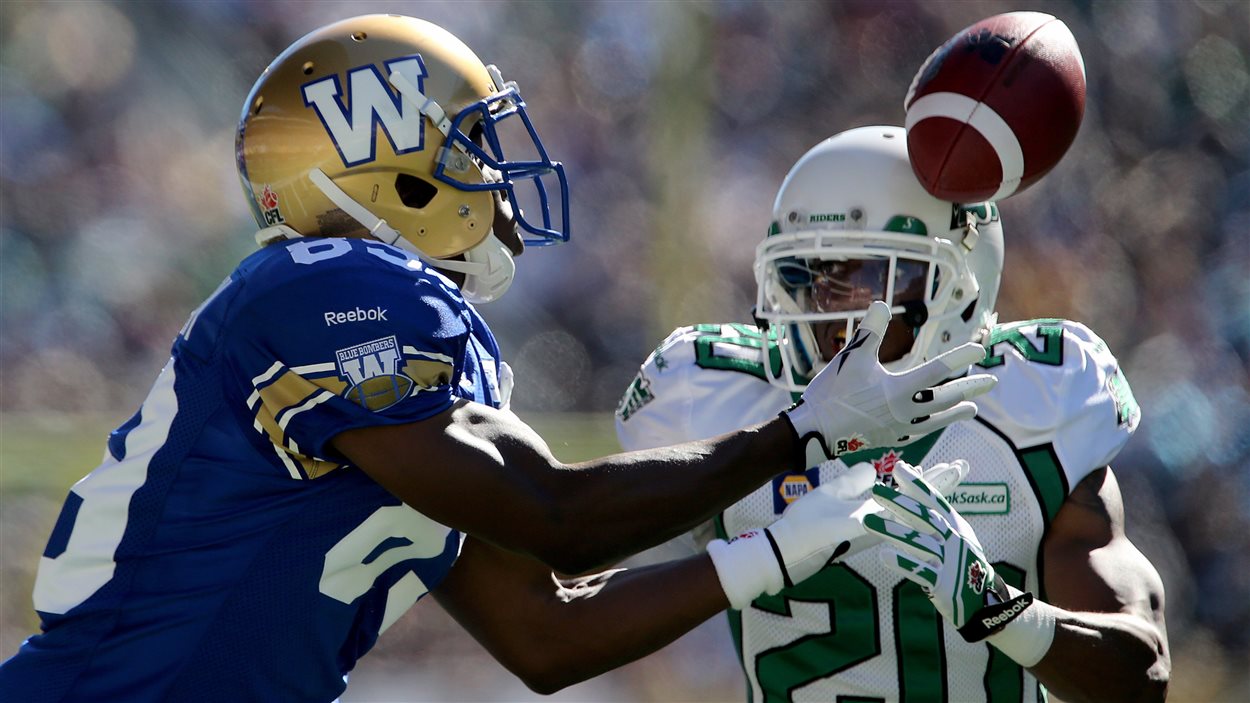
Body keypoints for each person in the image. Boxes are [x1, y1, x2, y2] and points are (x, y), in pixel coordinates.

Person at [0, 17, 998, 703]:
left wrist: (777, 551)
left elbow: (544, 635)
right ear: (389, 166)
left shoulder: (392, 348)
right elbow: (554, 518)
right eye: (471, 144)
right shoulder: (332, 286)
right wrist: (796, 433)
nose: (497, 172)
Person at [616, 125, 1171, 703]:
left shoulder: (1033, 408)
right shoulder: (721, 399)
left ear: (959, 287)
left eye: (865, 278)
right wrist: (753, 560)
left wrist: (999, 610)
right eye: (808, 278)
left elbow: (1142, 679)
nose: (830, 310)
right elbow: (563, 608)